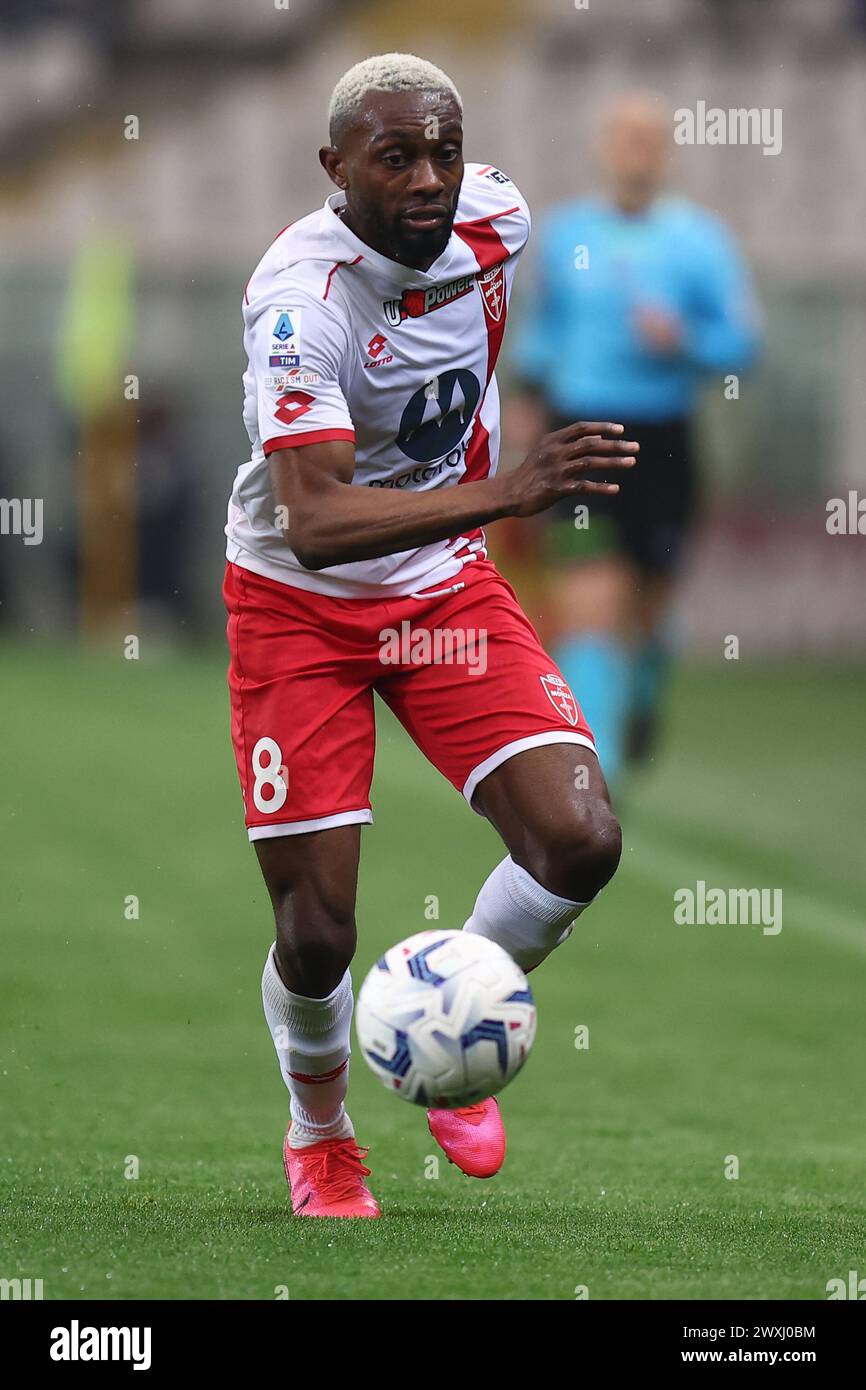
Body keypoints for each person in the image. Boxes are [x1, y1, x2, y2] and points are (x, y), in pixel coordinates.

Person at [223, 53, 638, 1218]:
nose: (426, 179)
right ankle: (321, 1132)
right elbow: (313, 524)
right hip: (298, 607)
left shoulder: (495, 219)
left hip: (440, 590)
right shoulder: (297, 299)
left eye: (442, 152)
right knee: (318, 930)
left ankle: (444, 1020)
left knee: (580, 838)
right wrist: (505, 492)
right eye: (394, 157)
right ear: (333, 169)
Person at [509, 94, 760, 783]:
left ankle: (644, 688)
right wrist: (528, 407)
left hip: (665, 437)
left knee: (649, 605)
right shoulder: (567, 235)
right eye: (623, 136)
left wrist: (686, 340)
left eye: (648, 138)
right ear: (604, 147)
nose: (634, 149)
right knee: (589, 598)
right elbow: (544, 329)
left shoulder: (700, 240)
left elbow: (744, 343)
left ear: (665, 151)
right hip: (581, 433)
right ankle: (599, 765)